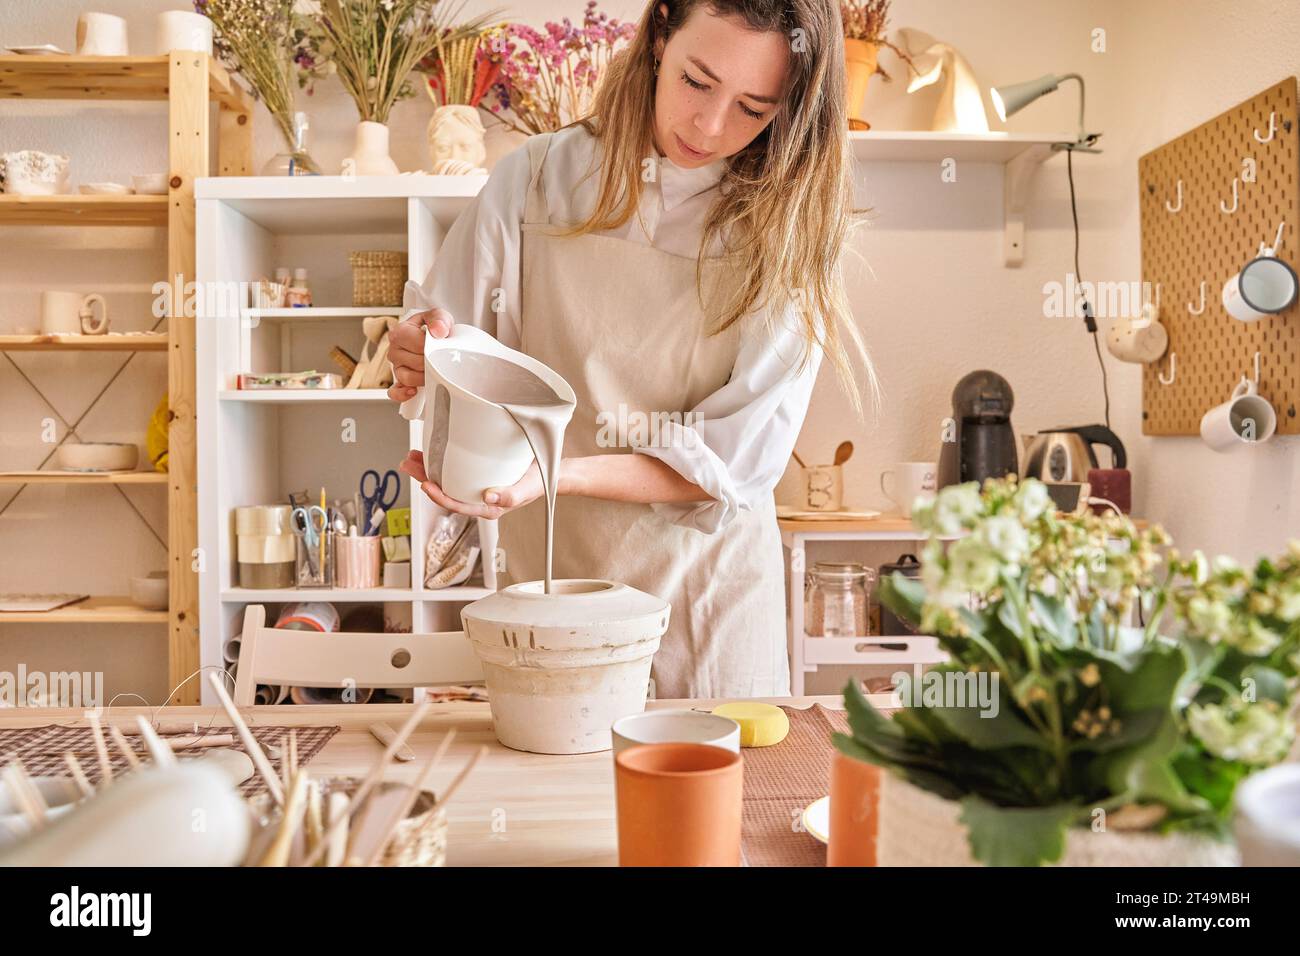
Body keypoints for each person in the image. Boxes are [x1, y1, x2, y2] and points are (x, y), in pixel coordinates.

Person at [389, 0, 871, 699]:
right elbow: (450, 346)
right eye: (697, 82)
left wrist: (554, 475)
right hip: (556, 589)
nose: (710, 127)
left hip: (711, 601)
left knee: (723, 805)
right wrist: (420, 354)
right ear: (662, 32)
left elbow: (731, 465)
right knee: (562, 801)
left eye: (753, 109)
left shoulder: (788, 226)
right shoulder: (535, 179)